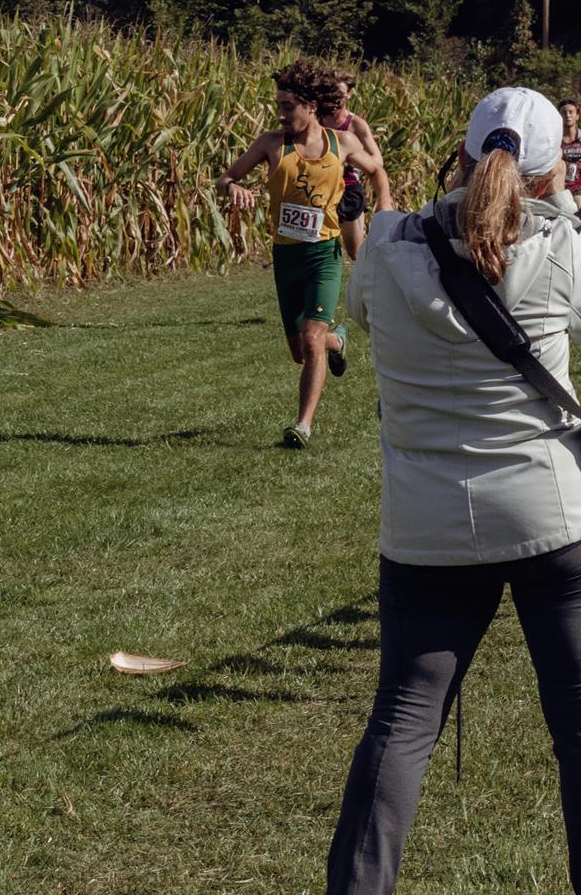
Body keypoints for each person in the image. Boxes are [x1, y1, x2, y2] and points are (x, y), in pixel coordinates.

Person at [326, 87, 581, 893]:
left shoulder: (387, 253)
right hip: (549, 514)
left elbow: (368, 292)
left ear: (463, 157)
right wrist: (558, 203)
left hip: (426, 527)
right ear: (552, 174)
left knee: (401, 725)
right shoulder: (562, 250)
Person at [218, 60, 392, 447]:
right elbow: (226, 177)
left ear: (311, 106)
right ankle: (338, 340)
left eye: (288, 106)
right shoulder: (270, 143)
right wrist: (233, 188)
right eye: (278, 105)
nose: (281, 114)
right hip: (286, 259)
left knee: (312, 341)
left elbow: (376, 169)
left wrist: (383, 201)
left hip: (323, 255)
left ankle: (303, 425)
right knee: (301, 350)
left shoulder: (341, 143)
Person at [319, 70, 389, 261]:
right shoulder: (317, 120)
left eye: (340, 95)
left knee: (355, 251)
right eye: (331, 93)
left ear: (349, 94)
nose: (335, 99)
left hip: (348, 188)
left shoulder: (355, 124)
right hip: (320, 187)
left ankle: (372, 271)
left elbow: (377, 161)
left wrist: (351, 157)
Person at [560, 98, 581, 196]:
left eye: (571, 112)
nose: (567, 115)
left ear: (577, 116)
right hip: (560, 188)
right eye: (564, 113)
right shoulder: (554, 140)